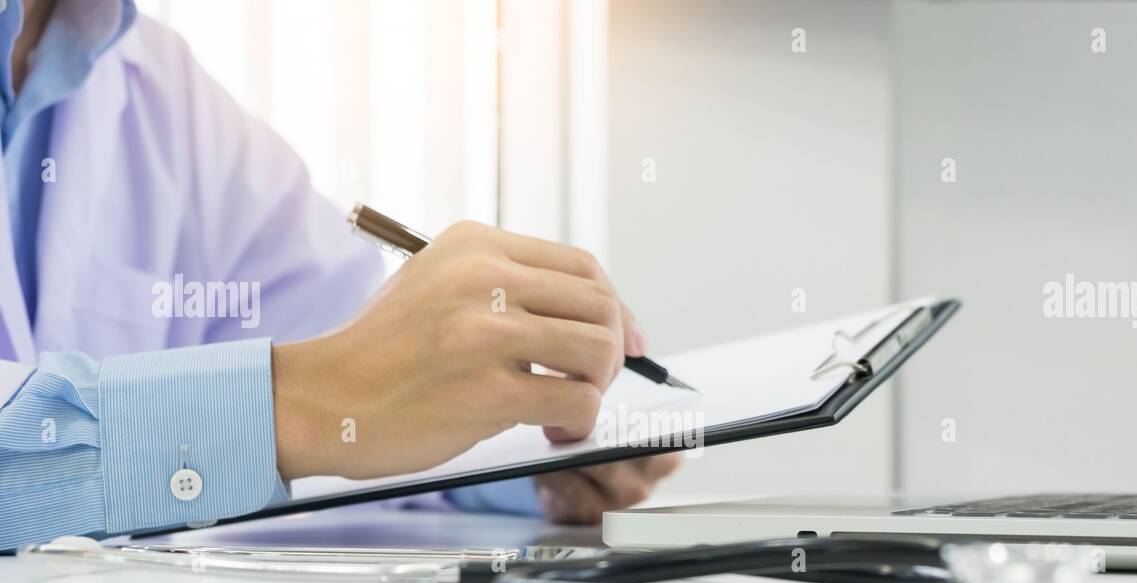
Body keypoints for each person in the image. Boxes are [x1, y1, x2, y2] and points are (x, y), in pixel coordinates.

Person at [0, 0, 679, 553]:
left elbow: (372, 373)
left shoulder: (154, 82)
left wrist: (533, 445)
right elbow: (334, 387)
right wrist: (300, 403)